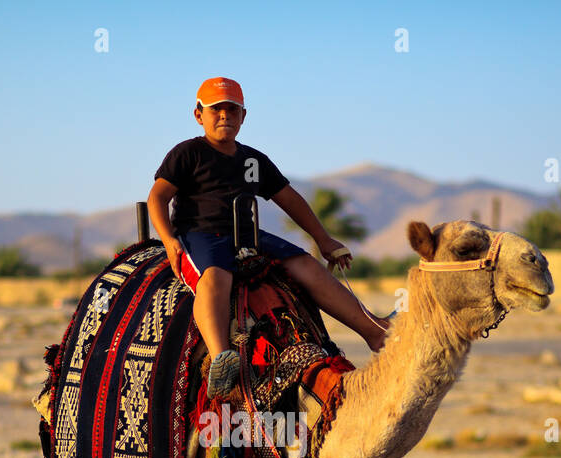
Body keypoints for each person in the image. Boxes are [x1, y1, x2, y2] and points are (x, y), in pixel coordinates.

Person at [148, 77, 390, 398]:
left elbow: (288, 198)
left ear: (243, 117)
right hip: (202, 235)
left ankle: (372, 330)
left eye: (232, 110)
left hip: (248, 235)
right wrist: (169, 239)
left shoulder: (252, 159)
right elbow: (157, 197)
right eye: (216, 109)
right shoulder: (188, 153)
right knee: (216, 277)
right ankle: (222, 358)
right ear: (198, 115)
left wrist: (324, 239)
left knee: (304, 263)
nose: (224, 116)